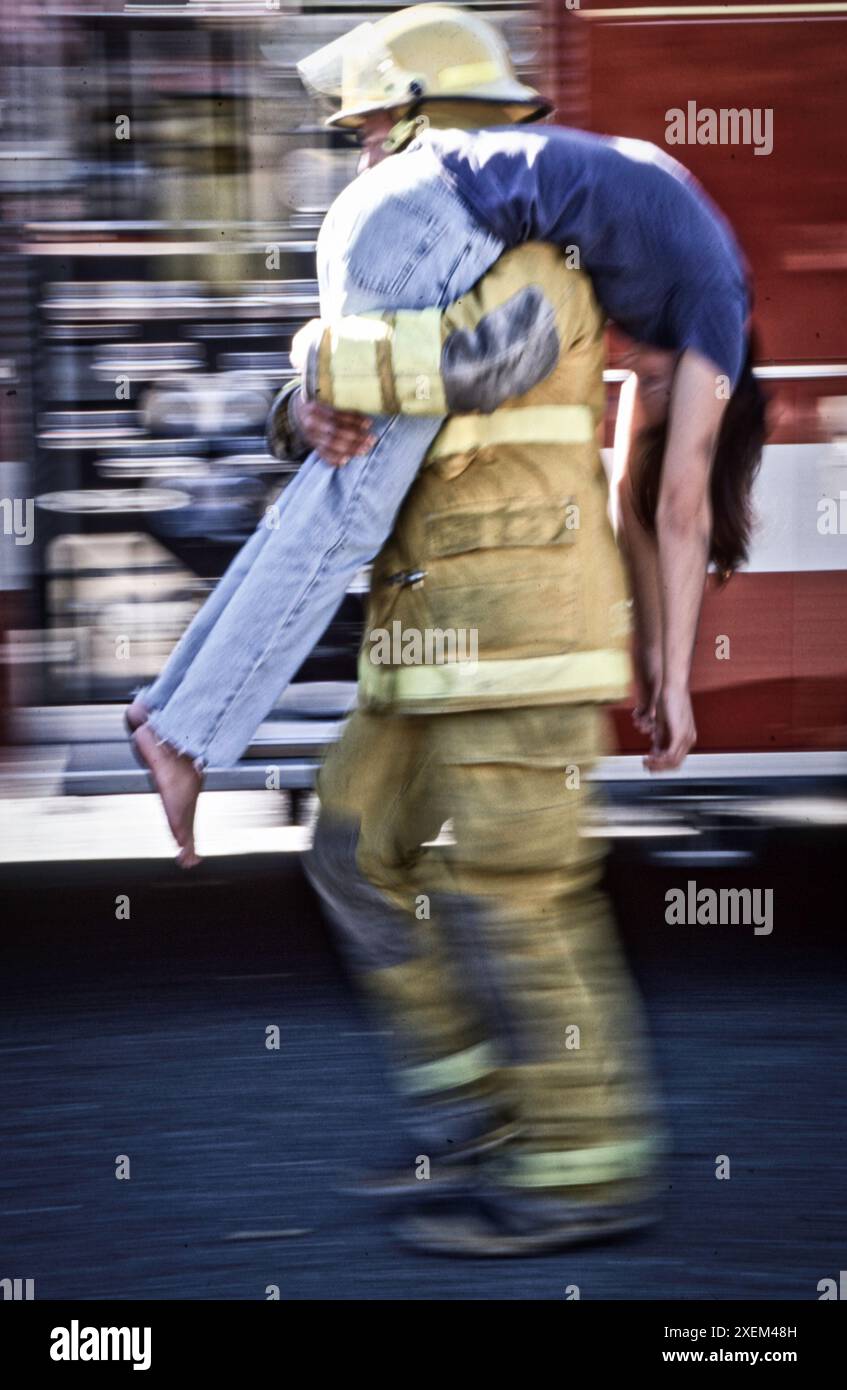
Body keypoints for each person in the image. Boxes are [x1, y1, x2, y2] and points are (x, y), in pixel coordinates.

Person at [127, 4, 766, 867]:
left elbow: (632, 501)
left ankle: (172, 711)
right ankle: (185, 733)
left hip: (401, 212)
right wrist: (682, 689)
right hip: (416, 215)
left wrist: (656, 664)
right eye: (659, 387)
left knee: (333, 488)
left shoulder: (660, 242)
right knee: (352, 508)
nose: (638, 387)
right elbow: (680, 504)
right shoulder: (715, 312)